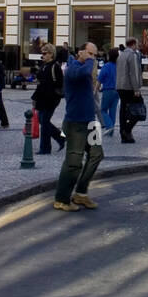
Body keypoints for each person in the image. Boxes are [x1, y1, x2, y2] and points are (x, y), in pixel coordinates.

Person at [53, 42, 104, 211]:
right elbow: (82, 73)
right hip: (76, 124)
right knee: (73, 162)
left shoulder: (85, 66)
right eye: (90, 54)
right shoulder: (72, 67)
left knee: (97, 154)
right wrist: (89, 61)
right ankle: (61, 199)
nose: (93, 58)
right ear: (80, 52)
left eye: (95, 55)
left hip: (91, 121)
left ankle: (80, 194)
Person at [32, 43, 66, 152]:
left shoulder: (55, 66)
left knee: (45, 121)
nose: (42, 55)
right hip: (42, 98)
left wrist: (49, 87)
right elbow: (40, 84)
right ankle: (60, 137)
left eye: (44, 53)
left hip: (51, 98)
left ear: (51, 54)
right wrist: (35, 97)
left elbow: (59, 83)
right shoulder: (44, 66)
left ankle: (45, 148)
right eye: (41, 53)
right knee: (43, 121)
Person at [116, 38, 143, 143]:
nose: (137, 45)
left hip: (120, 86)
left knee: (123, 109)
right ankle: (127, 130)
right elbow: (134, 73)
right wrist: (136, 89)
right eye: (137, 43)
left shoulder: (121, 55)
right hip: (129, 87)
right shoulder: (132, 55)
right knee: (139, 108)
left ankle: (124, 134)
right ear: (133, 44)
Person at [98, 48, 119, 137]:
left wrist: (96, 89)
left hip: (107, 90)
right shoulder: (118, 67)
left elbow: (100, 79)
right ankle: (110, 132)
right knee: (112, 111)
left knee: (103, 110)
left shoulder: (106, 66)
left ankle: (109, 126)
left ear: (108, 56)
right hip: (117, 91)